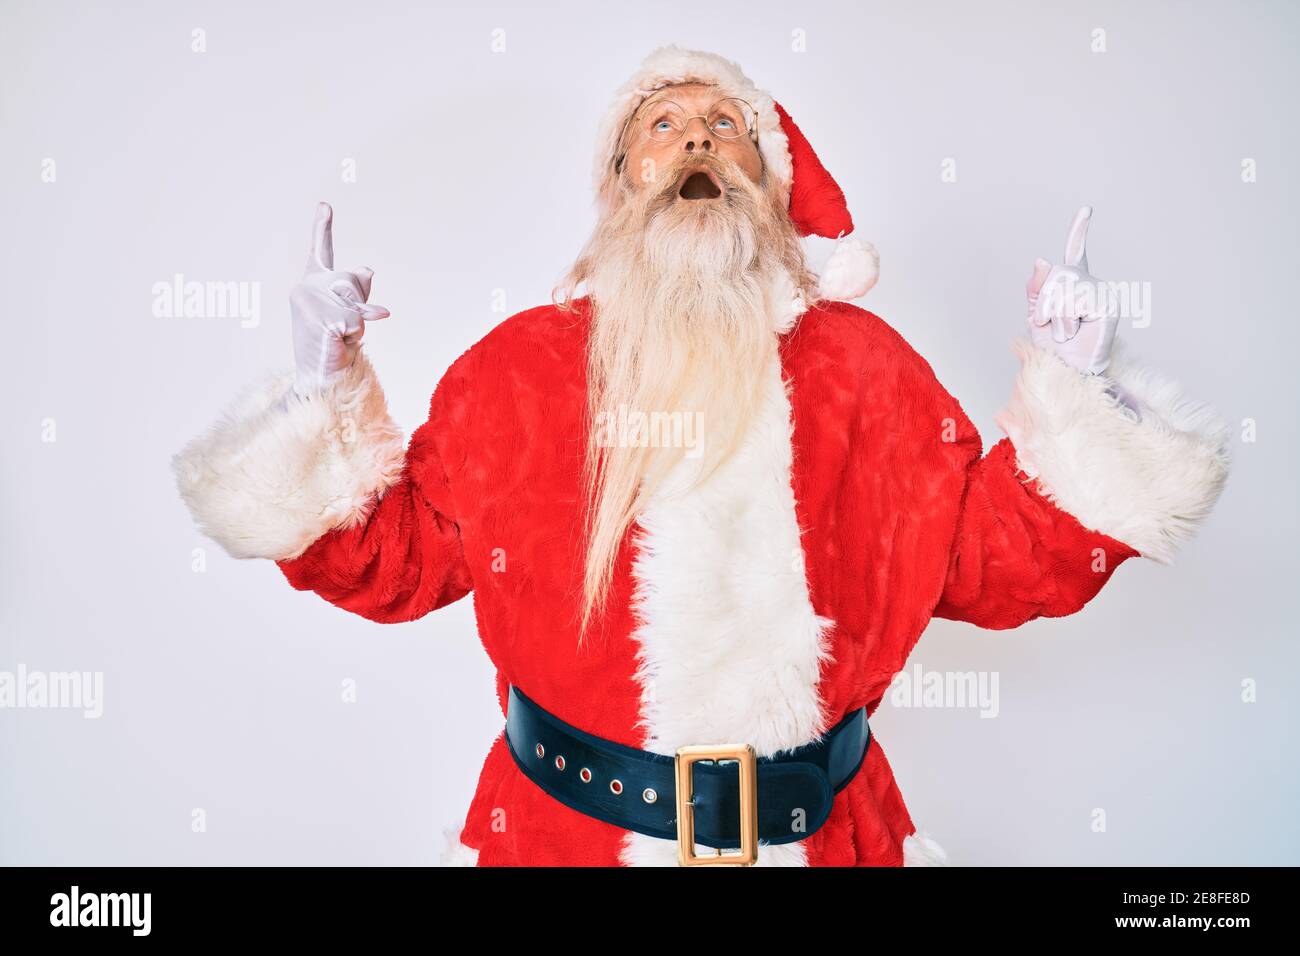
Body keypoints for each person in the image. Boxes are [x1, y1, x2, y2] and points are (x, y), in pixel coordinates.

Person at [173, 46, 1231, 866]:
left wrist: (1077, 386)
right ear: (619, 179)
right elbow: (398, 559)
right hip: (566, 839)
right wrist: (321, 391)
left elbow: (984, 556)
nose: (695, 143)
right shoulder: (519, 371)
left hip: (820, 839)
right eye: (663, 125)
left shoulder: (865, 367)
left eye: (726, 128)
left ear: (769, 188)